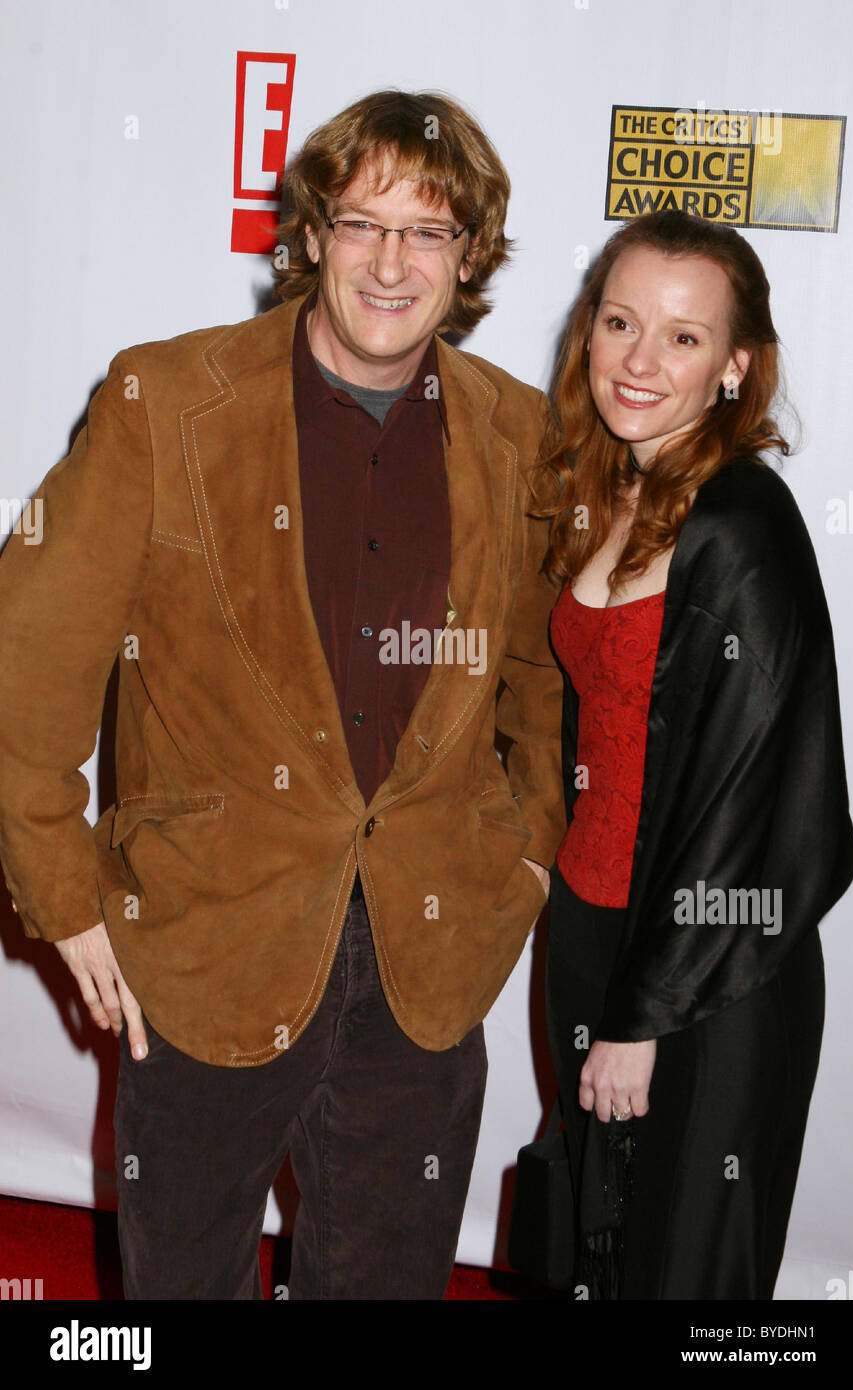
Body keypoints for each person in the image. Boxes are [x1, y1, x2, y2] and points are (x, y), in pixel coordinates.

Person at [0, 89, 566, 1300]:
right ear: (311, 232)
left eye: (428, 233)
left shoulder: (517, 434)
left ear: (469, 259)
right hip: (207, 944)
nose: (391, 262)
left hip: (422, 968)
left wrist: (520, 863)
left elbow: (540, 681)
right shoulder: (165, 405)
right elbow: (25, 658)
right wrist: (63, 894)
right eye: (363, 223)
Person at [534, 210, 853, 1299]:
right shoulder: (610, 486)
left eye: (680, 337)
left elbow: (751, 798)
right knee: (600, 1249)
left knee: (687, 1273)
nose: (638, 359)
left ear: (735, 363)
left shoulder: (740, 526)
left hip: (707, 973)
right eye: (619, 321)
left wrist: (643, 1016)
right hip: (587, 927)